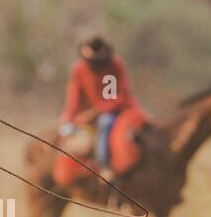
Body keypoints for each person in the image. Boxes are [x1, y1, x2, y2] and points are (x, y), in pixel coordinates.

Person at [59, 36, 150, 182]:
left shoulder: (115, 65)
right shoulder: (79, 70)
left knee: (106, 122)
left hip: (118, 112)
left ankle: (104, 166)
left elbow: (120, 96)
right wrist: (67, 120)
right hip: (90, 115)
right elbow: (73, 98)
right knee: (69, 134)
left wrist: (95, 112)